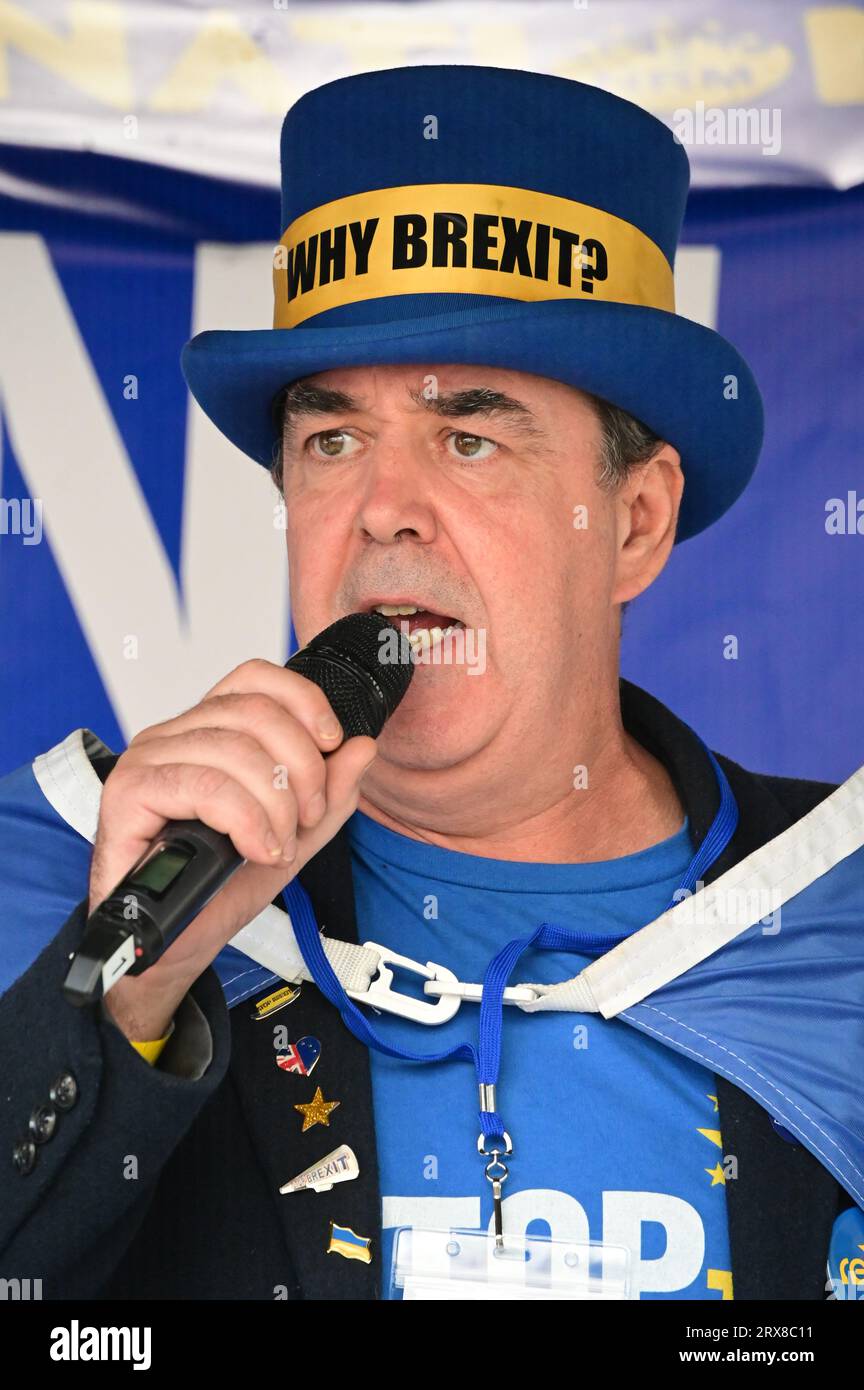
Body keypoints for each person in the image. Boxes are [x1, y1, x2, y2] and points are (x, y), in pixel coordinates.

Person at [0, 65, 853, 1302]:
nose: (382, 511)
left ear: (636, 523)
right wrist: (117, 1000)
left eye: (471, 434)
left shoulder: (835, 914)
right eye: (332, 439)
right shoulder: (73, 876)